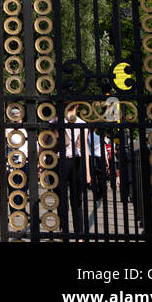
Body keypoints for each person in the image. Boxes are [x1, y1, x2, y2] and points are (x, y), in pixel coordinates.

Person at [62, 102, 92, 239]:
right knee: (76, 201)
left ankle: (64, 231)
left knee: (61, 200)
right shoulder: (82, 122)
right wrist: (87, 172)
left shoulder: (57, 120)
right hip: (77, 161)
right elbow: (83, 147)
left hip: (60, 160)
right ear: (77, 106)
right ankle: (79, 233)